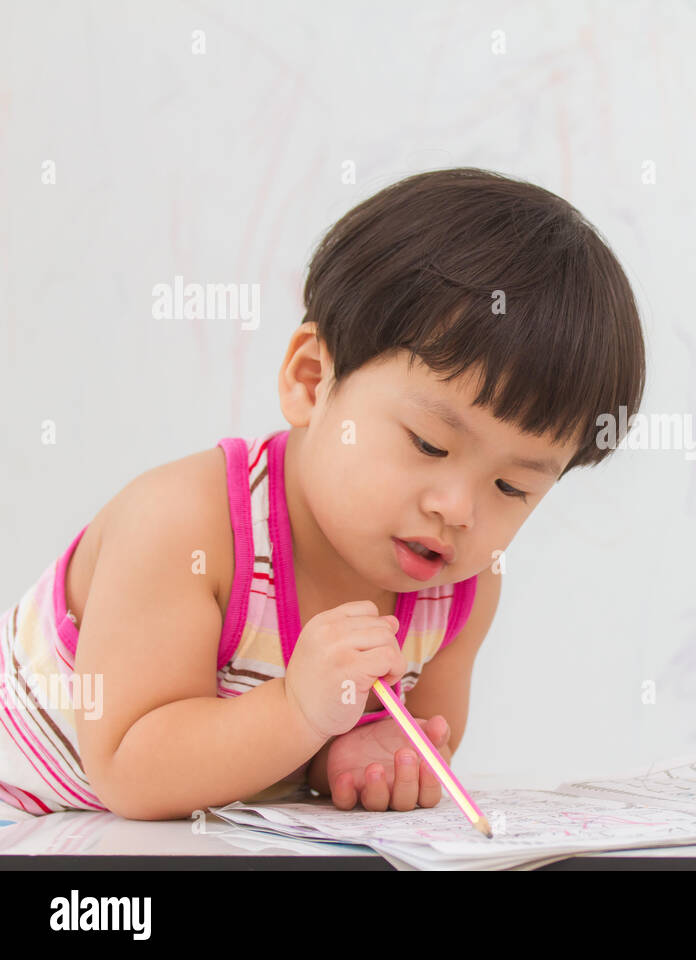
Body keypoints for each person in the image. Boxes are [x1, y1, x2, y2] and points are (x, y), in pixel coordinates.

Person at [0, 168, 646, 819]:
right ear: (311, 380)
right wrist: (296, 709)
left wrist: (362, 762)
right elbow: (131, 772)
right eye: (427, 444)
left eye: (513, 486)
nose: (457, 509)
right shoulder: (187, 528)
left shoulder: (457, 595)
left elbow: (400, 748)